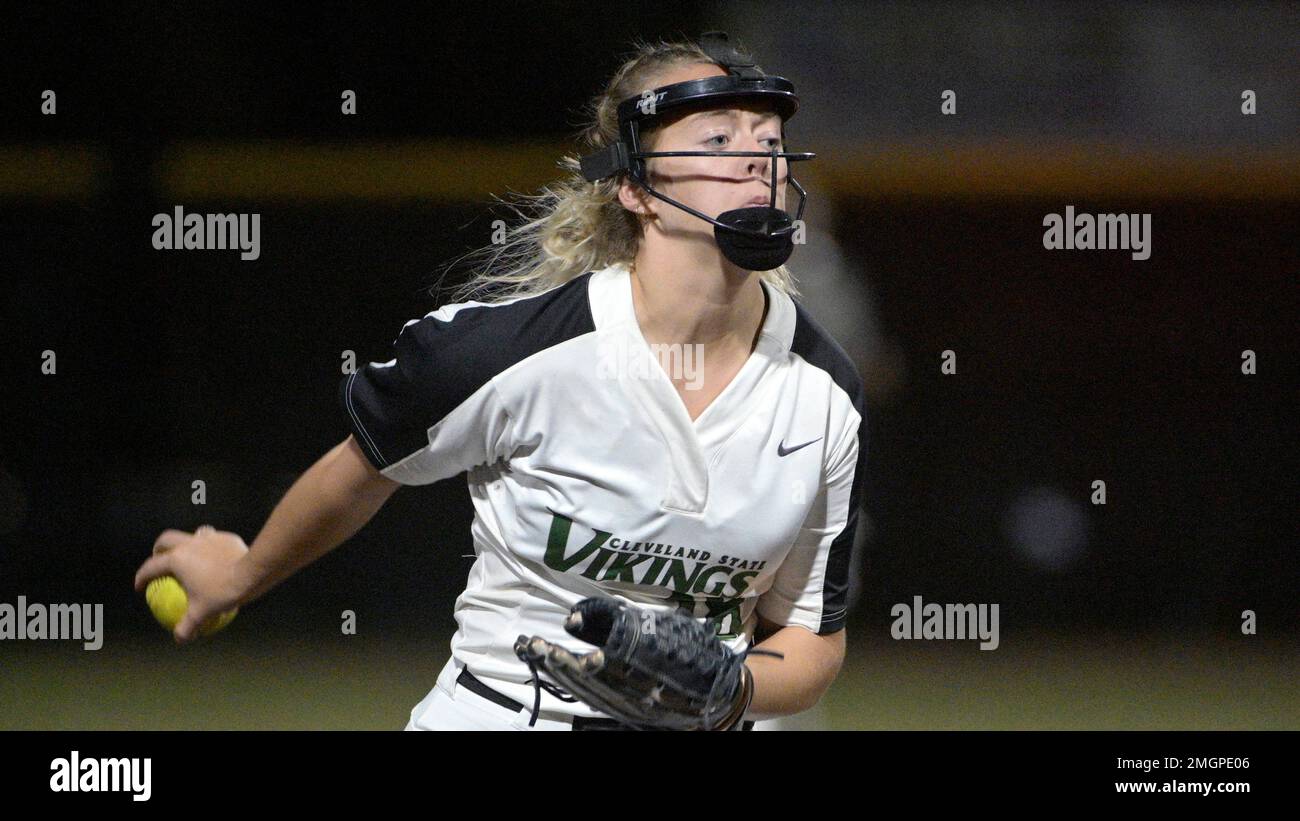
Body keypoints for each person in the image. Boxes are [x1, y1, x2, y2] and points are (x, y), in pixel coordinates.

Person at [133, 32, 868, 731]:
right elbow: (361, 471)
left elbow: (809, 638)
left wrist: (732, 685)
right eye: (716, 141)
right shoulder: (506, 351)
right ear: (635, 188)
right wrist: (241, 573)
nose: (757, 162)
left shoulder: (823, 389)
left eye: (769, 142)